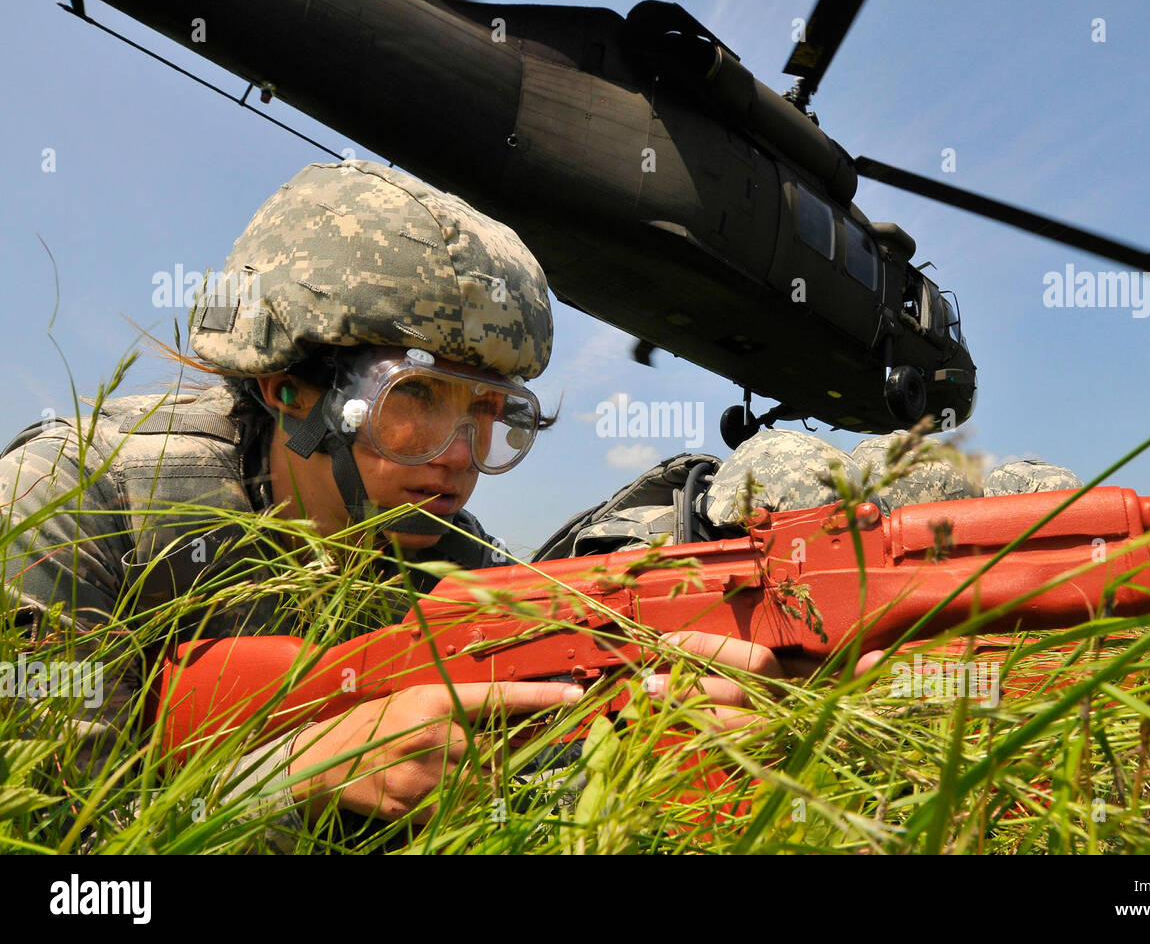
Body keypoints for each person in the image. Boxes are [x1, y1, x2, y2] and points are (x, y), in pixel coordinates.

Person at [0, 160, 807, 839]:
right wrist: (285, 780)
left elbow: (524, 787)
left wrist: (624, 749)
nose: (458, 459)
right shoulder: (69, 508)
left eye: (490, 412)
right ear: (291, 391)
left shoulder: (456, 565)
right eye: (416, 396)